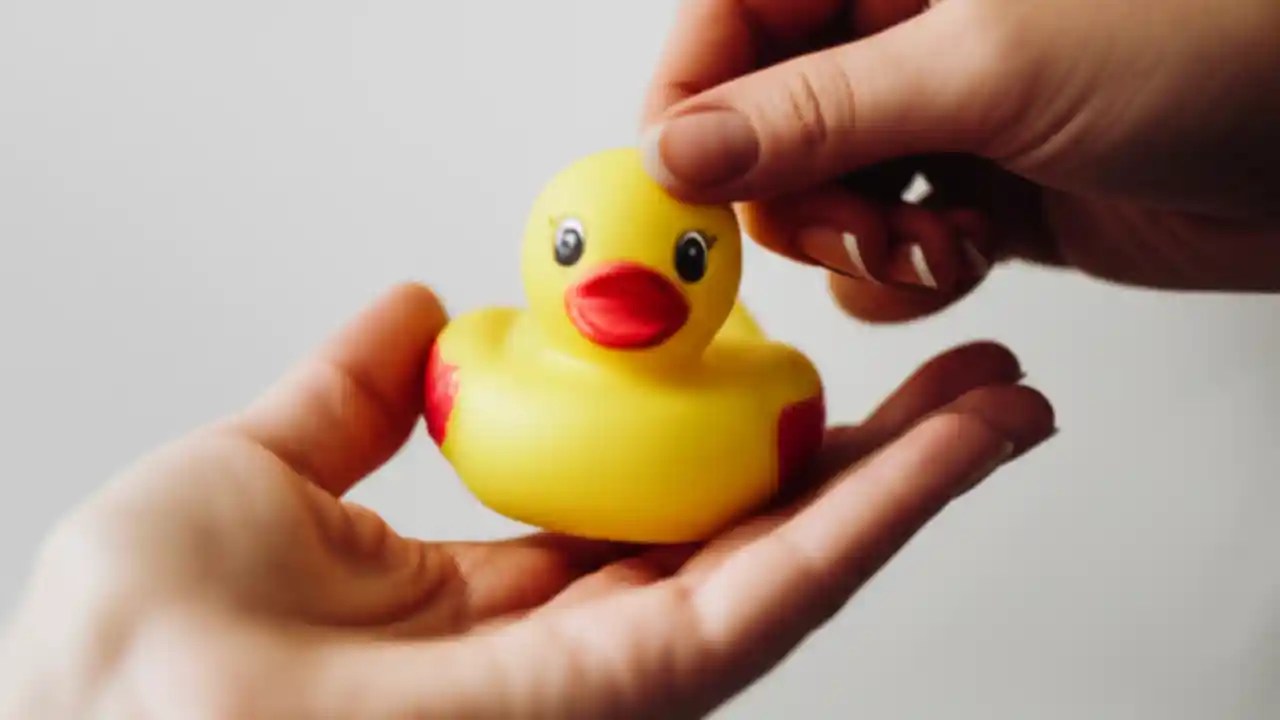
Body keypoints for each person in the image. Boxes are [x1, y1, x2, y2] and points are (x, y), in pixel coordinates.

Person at [0, 0, 1273, 716]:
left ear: (712, 274)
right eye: (577, 248)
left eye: (678, 262)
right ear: (543, 258)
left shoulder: (767, 390)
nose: (613, 283)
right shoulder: (478, 366)